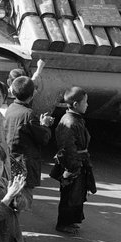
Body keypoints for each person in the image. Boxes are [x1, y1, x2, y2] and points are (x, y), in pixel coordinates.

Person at [53, 87, 94, 234]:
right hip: (72, 165)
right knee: (69, 196)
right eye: (85, 102)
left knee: (76, 195)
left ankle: (71, 221)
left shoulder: (76, 119)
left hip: (79, 162)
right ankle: (63, 223)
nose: (87, 105)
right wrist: (73, 168)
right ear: (76, 104)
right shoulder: (70, 122)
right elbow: (67, 148)